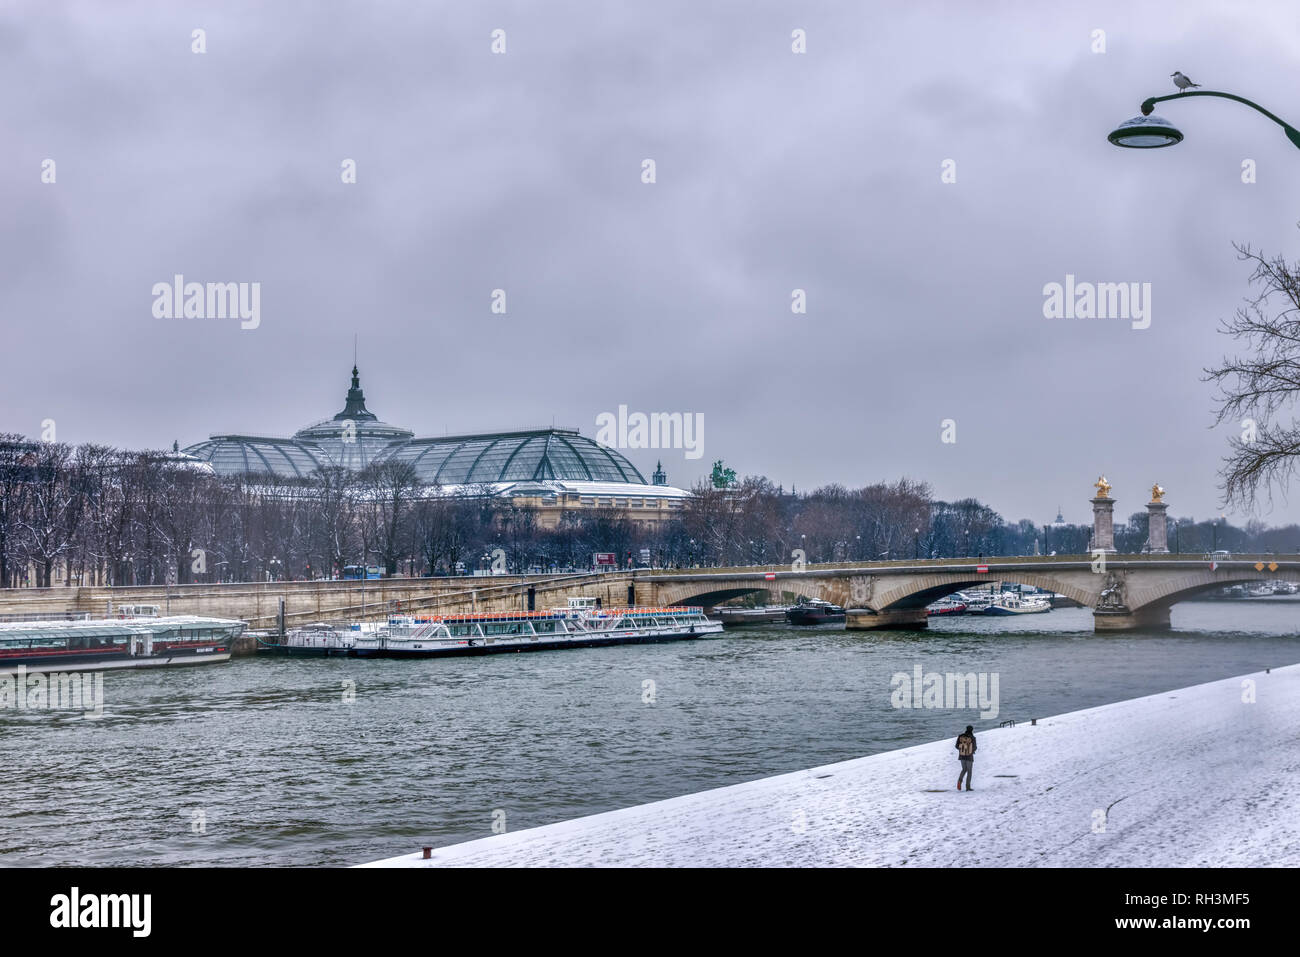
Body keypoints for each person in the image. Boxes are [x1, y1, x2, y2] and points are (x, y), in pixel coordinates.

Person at [955, 725, 977, 791]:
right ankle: (968, 787)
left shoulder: (960, 736)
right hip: (969, 756)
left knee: (964, 769)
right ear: (972, 730)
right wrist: (970, 751)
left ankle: (959, 781)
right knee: (969, 771)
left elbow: (956, 746)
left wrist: (962, 749)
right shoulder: (972, 737)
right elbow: (975, 747)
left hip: (961, 756)